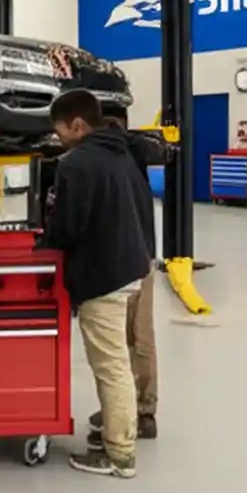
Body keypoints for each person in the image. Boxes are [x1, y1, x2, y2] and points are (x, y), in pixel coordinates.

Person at [43, 90, 153, 479]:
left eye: (59, 132)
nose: (57, 140)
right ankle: (115, 431)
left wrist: (47, 235)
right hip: (131, 266)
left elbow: (67, 229)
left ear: (76, 125)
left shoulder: (76, 164)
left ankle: (119, 453)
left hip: (103, 276)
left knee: (110, 365)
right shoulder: (121, 150)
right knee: (118, 356)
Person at [86, 118, 166, 442]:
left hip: (135, 256)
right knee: (130, 336)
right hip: (135, 253)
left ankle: (141, 414)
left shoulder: (124, 155)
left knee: (135, 336)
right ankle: (127, 408)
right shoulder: (128, 153)